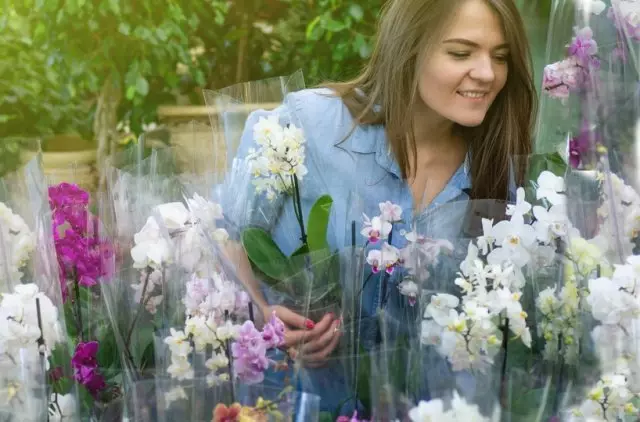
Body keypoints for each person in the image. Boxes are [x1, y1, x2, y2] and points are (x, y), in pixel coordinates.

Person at [225, 0, 536, 414]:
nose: (487, 73)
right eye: (461, 52)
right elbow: (222, 235)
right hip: (292, 404)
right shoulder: (309, 125)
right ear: (409, 49)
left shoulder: (497, 174)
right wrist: (262, 314)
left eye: (500, 56)